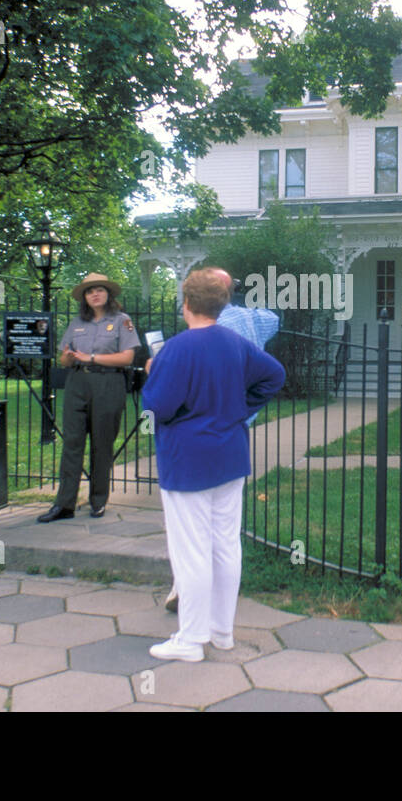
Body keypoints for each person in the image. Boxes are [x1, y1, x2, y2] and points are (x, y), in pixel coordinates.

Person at [142, 268, 285, 662]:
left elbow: (156, 408)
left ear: (186, 304)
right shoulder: (235, 343)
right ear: (221, 305)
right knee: (225, 546)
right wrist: (242, 411)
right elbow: (274, 375)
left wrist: (151, 375)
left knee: (191, 552)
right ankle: (222, 632)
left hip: (187, 462)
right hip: (230, 456)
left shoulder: (175, 349)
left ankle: (190, 640)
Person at [38, 273, 139, 522]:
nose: (95, 294)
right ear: (84, 297)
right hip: (77, 383)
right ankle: (64, 504)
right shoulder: (76, 323)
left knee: (102, 444)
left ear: (108, 294)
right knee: (72, 442)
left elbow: (127, 358)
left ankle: (98, 500)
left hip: (108, 383)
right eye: (89, 291)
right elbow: (63, 358)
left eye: (100, 290)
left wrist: (91, 358)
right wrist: (70, 357)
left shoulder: (122, 321)